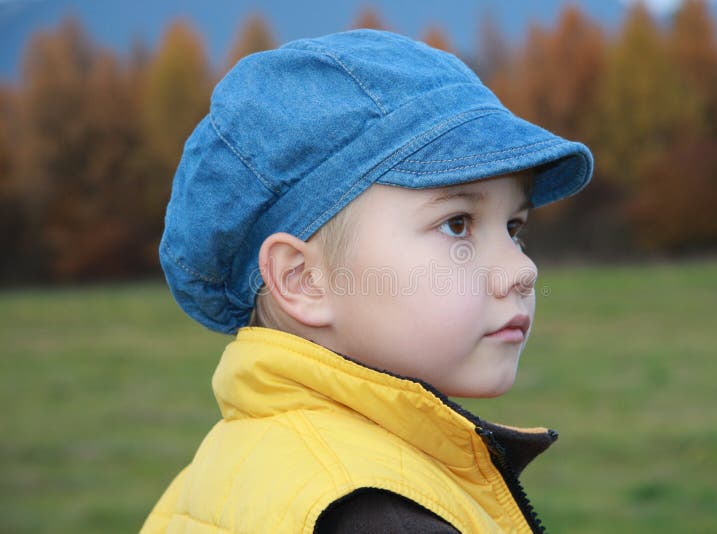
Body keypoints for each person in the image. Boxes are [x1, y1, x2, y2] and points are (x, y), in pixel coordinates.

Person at [141, 28, 593, 533]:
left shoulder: (220, 472)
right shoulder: (382, 516)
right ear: (303, 279)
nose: (522, 270)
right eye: (458, 223)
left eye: (515, 228)